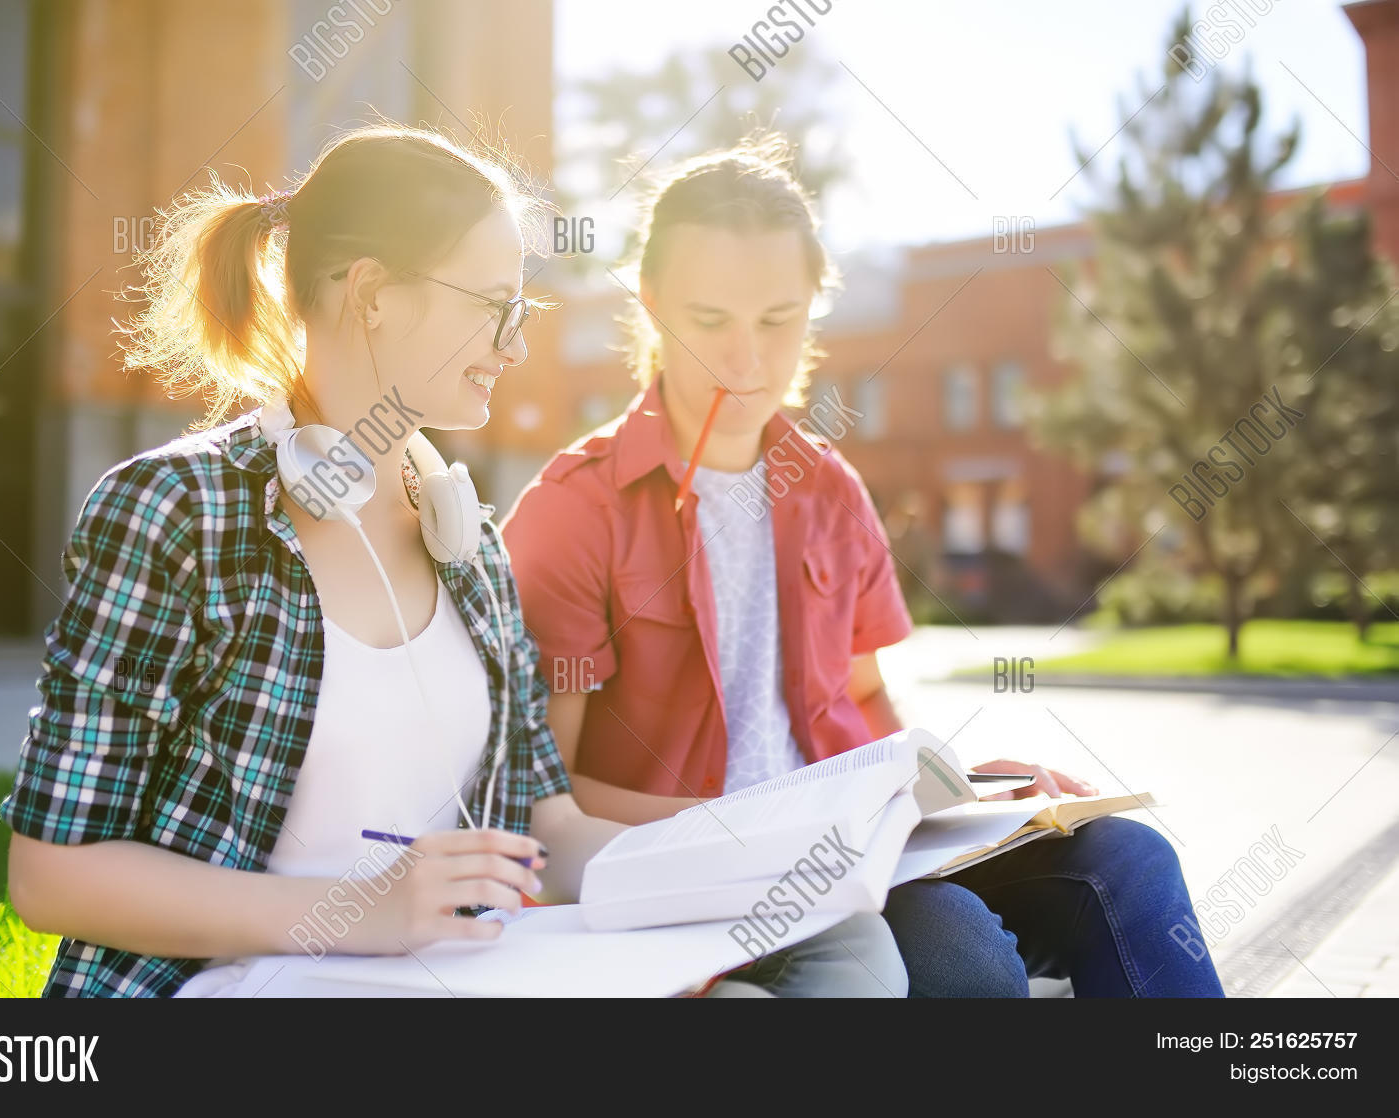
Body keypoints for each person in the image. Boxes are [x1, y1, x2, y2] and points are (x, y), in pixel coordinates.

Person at [0, 124, 903, 998]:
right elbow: (51, 879)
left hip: (469, 975)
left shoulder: (461, 537)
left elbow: (548, 828)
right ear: (374, 294)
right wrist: (355, 912)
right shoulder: (173, 511)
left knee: (850, 955)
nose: (515, 346)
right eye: (493, 307)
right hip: (246, 984)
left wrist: (769, 846)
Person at [501, 134, 1225, 998]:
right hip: (712, 883)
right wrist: (755, 830)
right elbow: (542, 794)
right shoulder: (575, 510)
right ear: (652, 301)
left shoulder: (830, 490)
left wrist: (974, 789)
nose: (746, 360)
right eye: (710, 321)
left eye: (778, 320)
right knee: (966, 960)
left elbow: (867, 706)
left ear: (815, 306)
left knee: (1130, 861)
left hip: (862, 849)